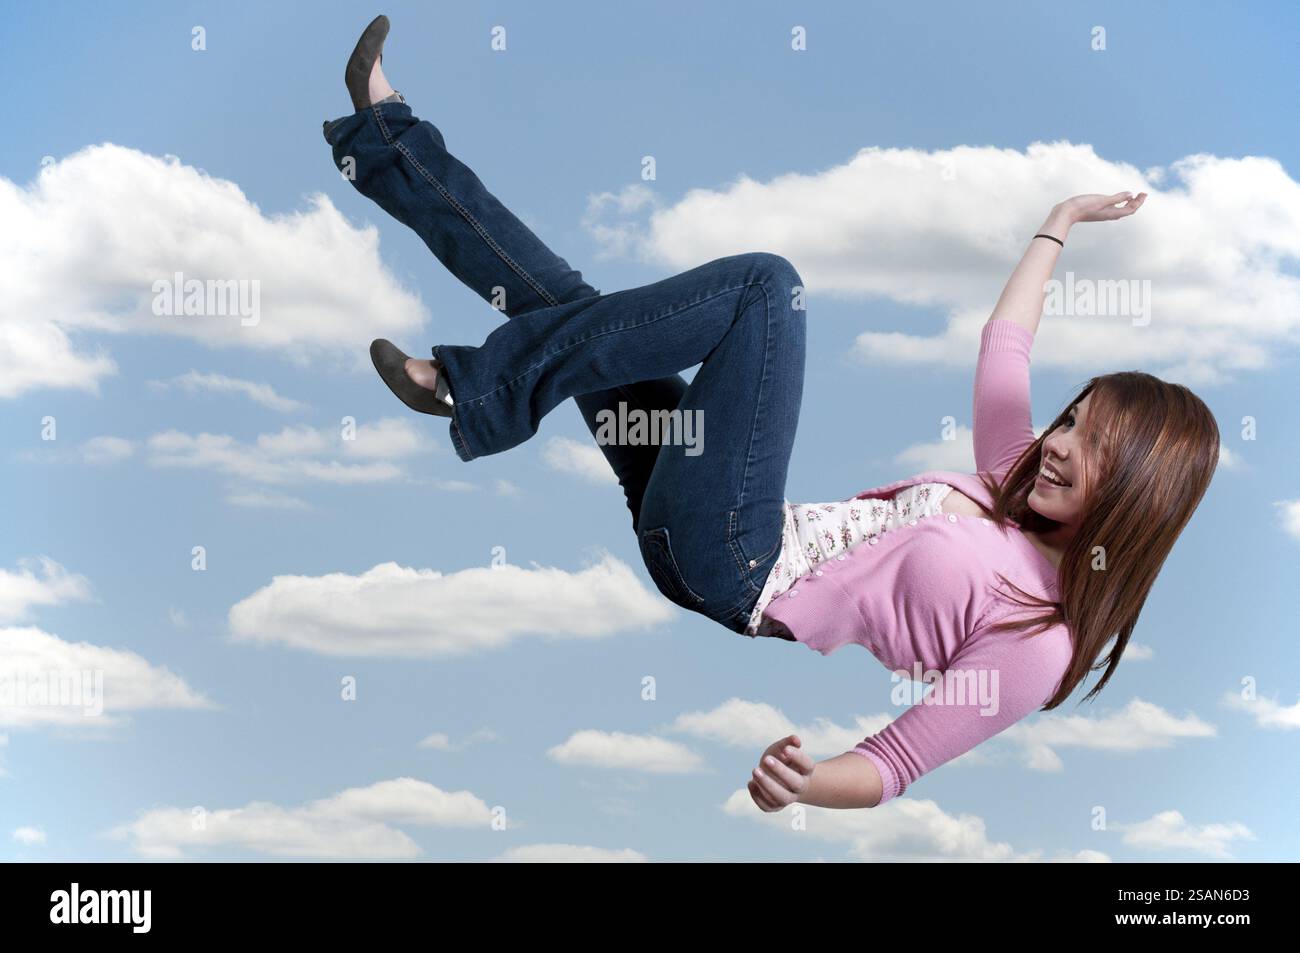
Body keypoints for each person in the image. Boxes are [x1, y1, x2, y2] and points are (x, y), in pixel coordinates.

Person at [323, 16, 1220, 811]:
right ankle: (386, 138)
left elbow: (898, 761)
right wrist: (1058, 220)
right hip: (703, 517)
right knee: (572, 312)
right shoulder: (1011, 476)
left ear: (1141, 490)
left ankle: (472, 391)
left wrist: (805, 780)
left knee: (768, 289)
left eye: (1091, 445)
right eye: (1071, 419)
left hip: (733, 559)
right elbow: (1005, 346)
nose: (1057, 445)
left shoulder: (1040, 640)